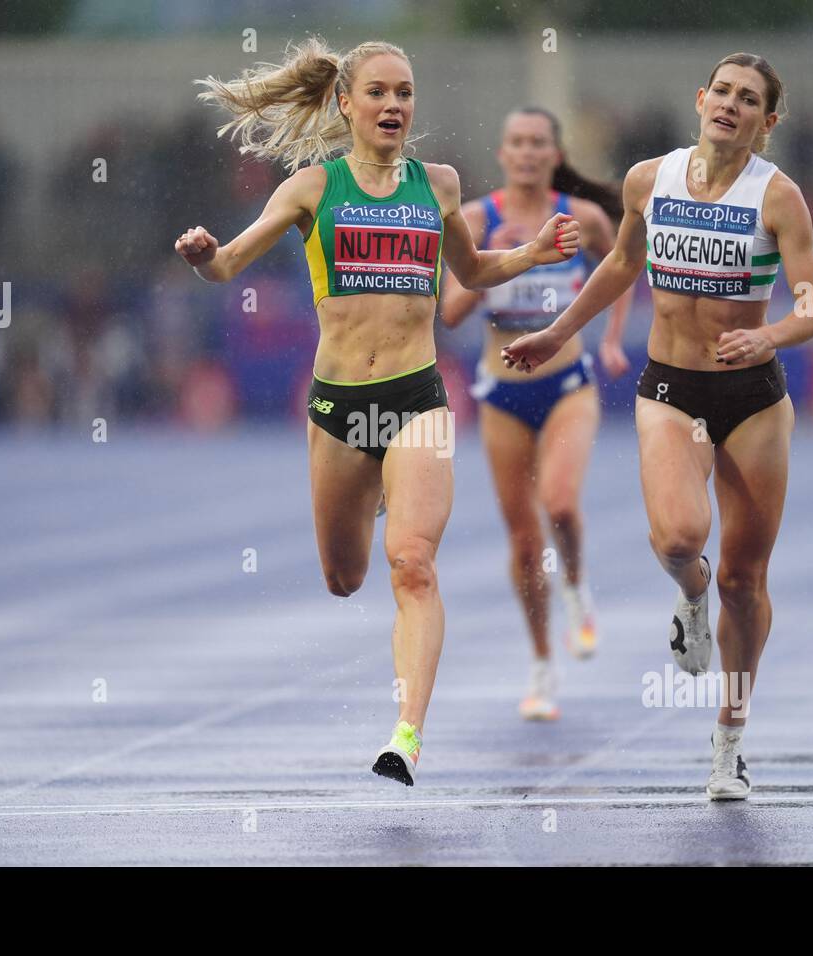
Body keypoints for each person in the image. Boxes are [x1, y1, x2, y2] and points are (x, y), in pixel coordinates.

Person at [177, 38, 580, 785]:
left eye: (405, 92)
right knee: (343, 577)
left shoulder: (442, 185)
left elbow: (473, 271)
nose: (394, 105)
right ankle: (369, 495)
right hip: (337, 407)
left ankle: (407, 735)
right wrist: (203, 252)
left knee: (414, 565)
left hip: (417, 398)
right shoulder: (310, 189)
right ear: (346, 104)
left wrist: (533, 254)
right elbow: (229, 264)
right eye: (379, 93)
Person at [501, 53, 813, 799]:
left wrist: (769, 335)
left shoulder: (779, 199)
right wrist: (558, 332)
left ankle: (729, 741)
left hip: (752, 395)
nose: (731, 105)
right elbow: (620, 264)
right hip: (671, 387)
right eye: (723, 92)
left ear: (767, 122)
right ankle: (690, 595)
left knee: (745, 582)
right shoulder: (650, 179)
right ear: (700, 99)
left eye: (749, 100)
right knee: (681, 539)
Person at [439, 107, 632, 720]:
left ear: (555, 153)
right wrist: (491, 260)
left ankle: (575, 586)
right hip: (501, 392)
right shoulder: (476, 219)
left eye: (537, 143)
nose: (526, 153)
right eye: (516, 142)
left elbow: (627, 264)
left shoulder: (583, 218)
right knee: (524, 543)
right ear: (502, 153)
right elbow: (448, 314)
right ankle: (542, 665)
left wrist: (611, 338)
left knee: (561, 503)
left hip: (567, 384)